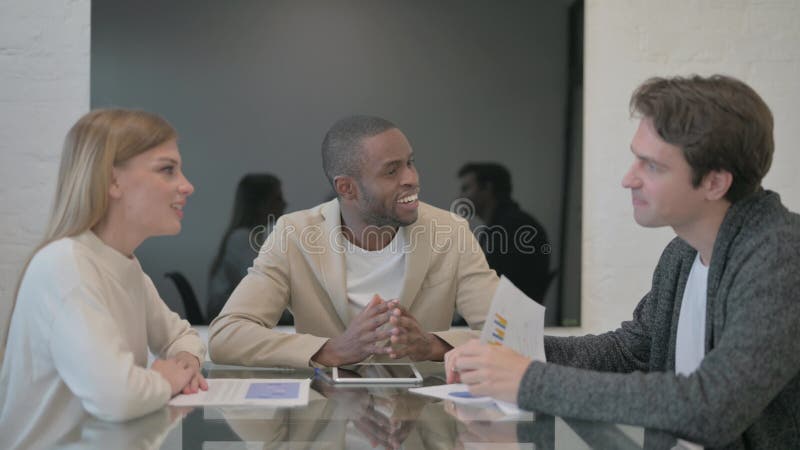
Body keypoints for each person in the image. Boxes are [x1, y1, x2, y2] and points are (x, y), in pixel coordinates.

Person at [445, 75, 800, 448]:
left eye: (652, 166)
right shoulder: (682, 252)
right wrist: (510, 351)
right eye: (636, 158)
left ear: (714, 183)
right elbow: (630, 351)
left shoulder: (781, 257)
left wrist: (526, 379)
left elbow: (713, 405)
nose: (628, 179)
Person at [209, 115, 498, 368]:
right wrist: (332, 350)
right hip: (327, 417)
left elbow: (510, 334)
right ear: (347, 188)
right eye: (392, 170)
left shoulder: (451, 231)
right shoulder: (294, 234)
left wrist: (432, 346)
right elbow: (227, 336)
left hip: (422, 419)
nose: (412, 178)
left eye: (410, 163)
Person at [0, 109, 207, 449]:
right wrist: (164, 378)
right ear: (112, 181)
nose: (187, 185)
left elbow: (182, 336)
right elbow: (118, 397)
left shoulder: (124, 265)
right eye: (167, 169)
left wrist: (185, 362)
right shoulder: (64, 265)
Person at [458, 162, 551, 303]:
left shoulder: (513, 227)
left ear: (487, 188)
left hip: (508, 320)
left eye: (466, 188)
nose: (460, 196)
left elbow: (496, 290)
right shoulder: (507, 225)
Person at [207, 173, 288, 322]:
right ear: (260, 204)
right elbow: (261, 291)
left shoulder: (254, 237)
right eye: (277, 198)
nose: (284, 203)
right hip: (231, 322)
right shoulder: (241, 239)